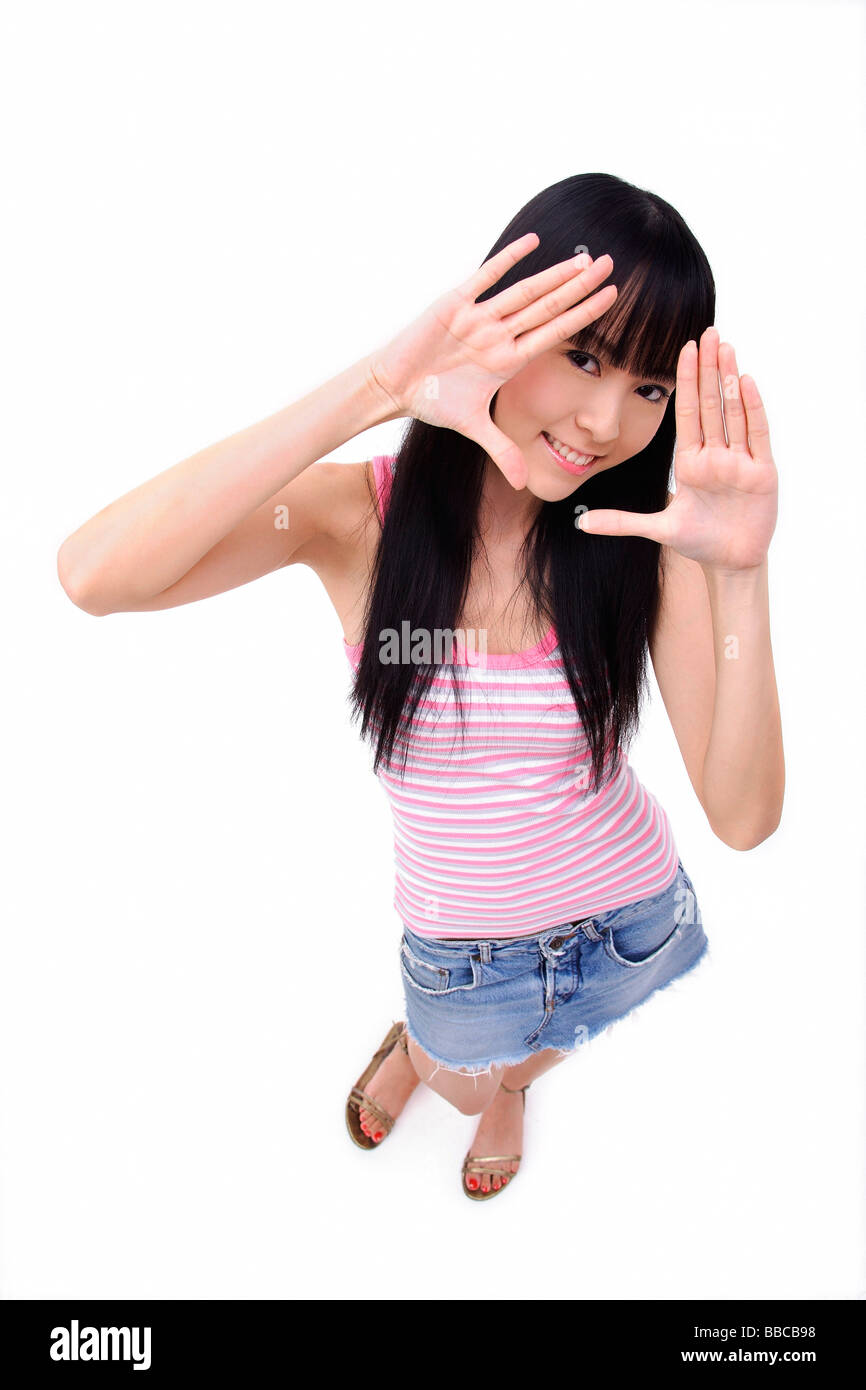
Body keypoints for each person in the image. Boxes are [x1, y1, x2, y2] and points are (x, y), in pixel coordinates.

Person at [57, 172, 784, 1202]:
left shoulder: (641, 546)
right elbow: (94, 574)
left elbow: (743, 817)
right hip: (458, 953)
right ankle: (425, 1058)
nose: (604, 418)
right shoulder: (360, 518)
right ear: (498, 321)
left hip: (633, 918)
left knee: (538, 1052)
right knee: (451, 1067)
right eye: (581, 355)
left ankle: (511, 1091)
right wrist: (376, 390)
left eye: (648, 387)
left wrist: (739, 579)